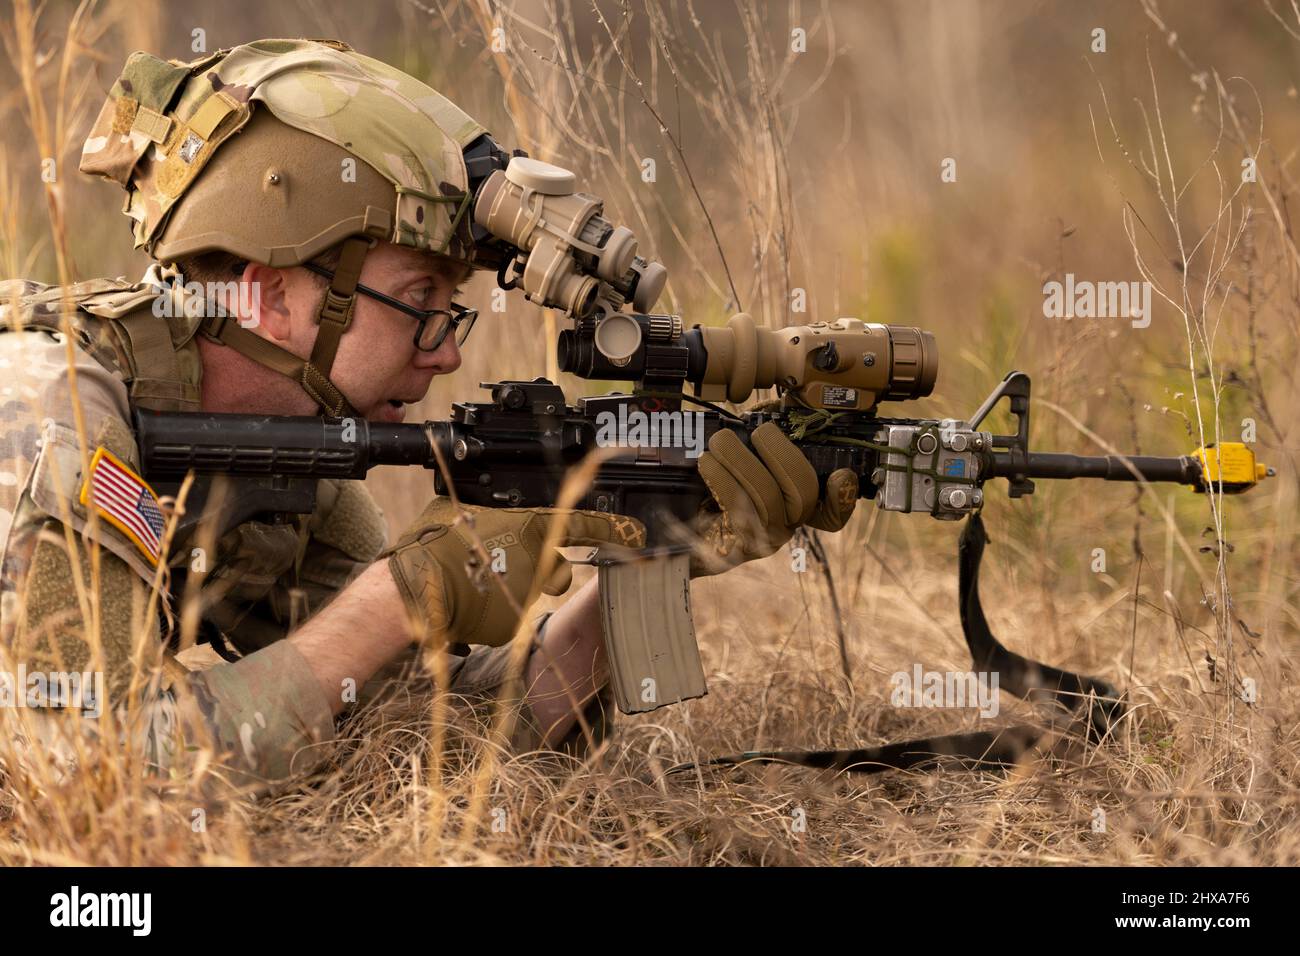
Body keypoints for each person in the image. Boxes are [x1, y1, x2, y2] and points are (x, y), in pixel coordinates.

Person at [0, 38, 858, 790]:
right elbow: (88, 767)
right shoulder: (50, 407)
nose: (446, 352)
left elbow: (437, 741)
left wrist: (657, 563)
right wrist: (394, 602)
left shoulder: (293, 446)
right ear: (270, 297)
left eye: (455, 308)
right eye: (420, 299)